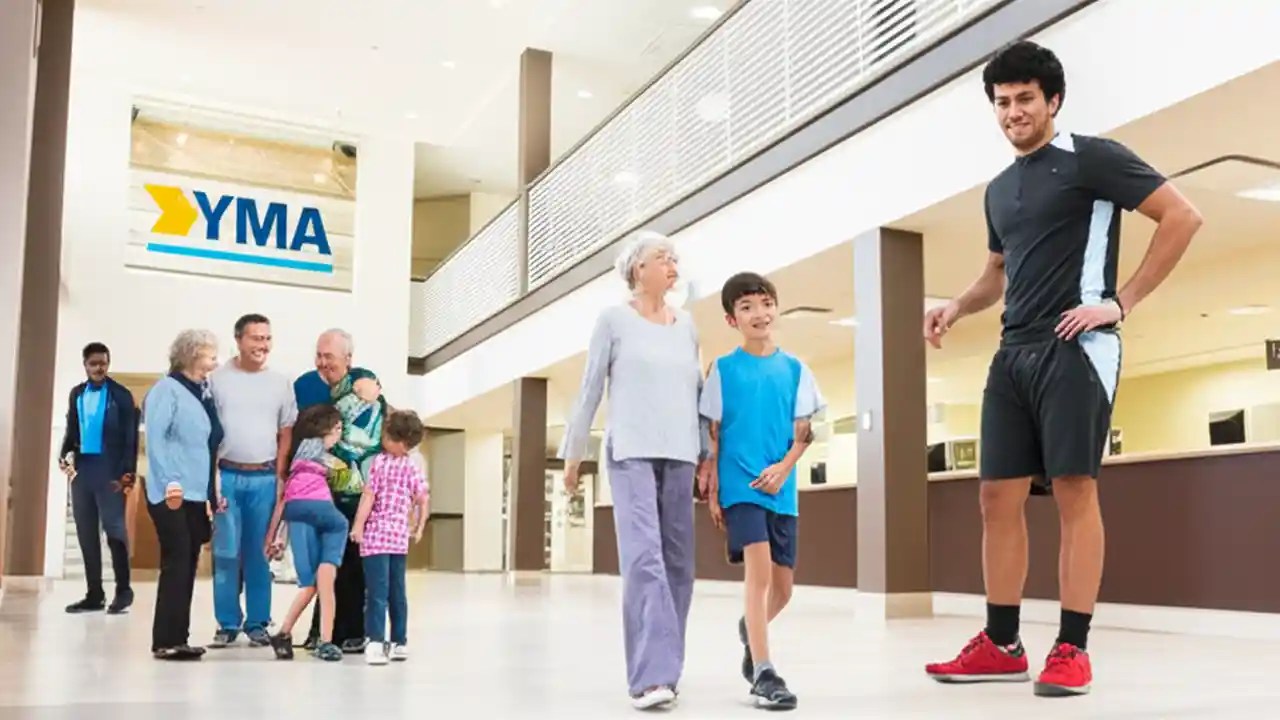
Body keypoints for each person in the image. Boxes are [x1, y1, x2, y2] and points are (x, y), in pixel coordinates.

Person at [922, 41, 1203, 697]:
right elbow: (997, 273)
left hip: (1077, 346)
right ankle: (1002, 644)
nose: (1013, 112)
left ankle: (1072, 647)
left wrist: (1119, 303)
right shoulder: (1000, 189)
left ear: (1053, 100)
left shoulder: (1092, 158)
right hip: (1012, 352)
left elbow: (1182, 216)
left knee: (1076, 490)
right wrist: (957, 306)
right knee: (996, 497)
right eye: (1002, 102)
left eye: (1025, 99)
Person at [559, 231, 707, 710]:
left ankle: (668, 667)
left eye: (674, 258)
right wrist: (573, 454)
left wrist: (706, 453)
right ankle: (650, 676)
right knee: (644, 559)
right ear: (637, 269)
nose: (672, 265)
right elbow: (590, 388)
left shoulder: (687, 325)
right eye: (662, 258)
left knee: (679, 565)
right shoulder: (613, 320)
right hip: (631, 451)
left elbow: (697, 391)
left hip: (681, 453)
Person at [699, 272, 824, 711]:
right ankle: (765, 672)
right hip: (741, 485)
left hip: (782, 487)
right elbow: (713, 434)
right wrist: (713, 489)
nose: (759, 313)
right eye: (747, 306)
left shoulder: (796, 370)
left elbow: (804, 434)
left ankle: (750, 630)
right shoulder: (722, 370)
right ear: (731, 319)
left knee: (783, 590)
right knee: (759, 576)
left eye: (766, 303)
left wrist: (783, 469)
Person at [208, 313, 298, 648]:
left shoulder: (280, 382)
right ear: (239, 340)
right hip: (227, 476)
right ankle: (227, 623)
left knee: (260, 554)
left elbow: (286, 432)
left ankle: (258, 623)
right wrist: (212, 479)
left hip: (264, 478)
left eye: (267, 338)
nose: (263, 345)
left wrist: (281, 475)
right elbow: (208, 432)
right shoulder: (217, 379)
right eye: (256, 338)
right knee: (226, 554)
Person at [293, 328, 386, 652]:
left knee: (351, 565)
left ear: (348, 359)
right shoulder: (314, 388)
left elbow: (363, 441)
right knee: (328, 563)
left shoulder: (363, 392)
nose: (322, 362)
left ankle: (351, 633)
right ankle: (324, 632)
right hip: (320, 491)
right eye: (319, 355)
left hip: (355, 492)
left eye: (329, 356)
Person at [144, 329, 223, 660]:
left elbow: (209, 446)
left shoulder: (203, 392)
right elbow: (156, 440)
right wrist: (170, 481)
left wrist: (211, 494)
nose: (215, 362)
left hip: (195, 494)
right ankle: (165, 640)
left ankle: (178, 637)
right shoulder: (167, 390)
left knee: (188, 563)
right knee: (176, 562)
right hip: (171, 492)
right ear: (191, 355)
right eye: (210, 355)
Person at [263, 404, 350, 662]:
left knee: (310, 584)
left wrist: (276, 535)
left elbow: (283, 501)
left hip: (296, 512)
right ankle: (326, 641)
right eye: (337, 429)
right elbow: (346, 475)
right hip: (325, 512)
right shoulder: (319, 450)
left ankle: (284, 633)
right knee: (326, 581)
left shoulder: (297, 454)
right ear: (325, 429)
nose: (339, 435)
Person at [59, 342, 140, 615]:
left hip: (110, 471)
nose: (98, 368)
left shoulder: (121, 396)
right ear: (85, 365)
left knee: (115, 530)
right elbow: (72, 428)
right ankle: (94, 593)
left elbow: (130, 438)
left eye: (103, 363)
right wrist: (63, 454)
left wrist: (128, 472)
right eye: (93, 364)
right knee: (86, 532)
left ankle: (124, 590)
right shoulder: (77, 394)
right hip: (83, 469)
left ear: (108, 364)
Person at [350, 410, 430, 666]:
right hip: (377, 536)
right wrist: (359, 526)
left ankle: (398, 640)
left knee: (395, 591)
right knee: (379, 591)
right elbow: (370, 495)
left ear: (402, 443)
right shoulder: (381, 463)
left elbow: (421, 497)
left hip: (396, 538)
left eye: (387, 437)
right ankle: (375, 640)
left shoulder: (409, 466)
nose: (383, 440)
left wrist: (419, 525)